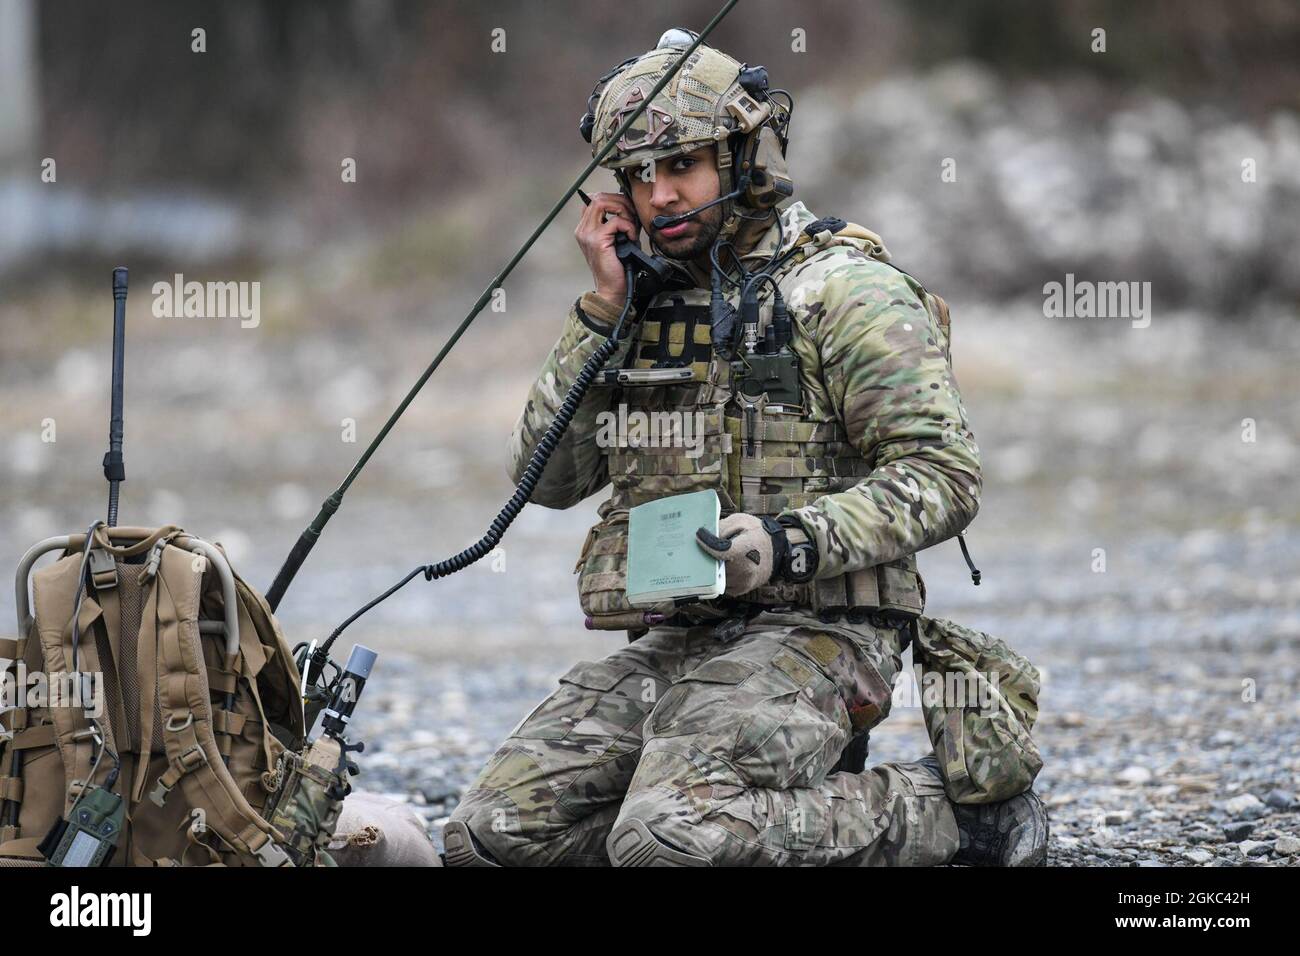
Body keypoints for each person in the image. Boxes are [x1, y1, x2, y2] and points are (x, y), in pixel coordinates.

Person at [443, 29, 1047, 867]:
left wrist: (788, 542)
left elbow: (942, 475)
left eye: (682, 164)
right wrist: (598, 316)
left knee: (668, 838)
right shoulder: (634, 307)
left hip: (830, 629)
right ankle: (747, 816)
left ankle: (952, 818)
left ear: (738, 156)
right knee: (488, 838)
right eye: (639, 175)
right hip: (685, 633)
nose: (661, 195)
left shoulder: (843, 288)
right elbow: (545, 483)